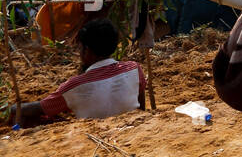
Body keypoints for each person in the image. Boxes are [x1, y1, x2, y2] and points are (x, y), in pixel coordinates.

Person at [7, 19, 145, 127]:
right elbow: (141, 108)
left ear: (87, 50)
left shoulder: (74, 86)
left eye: (80, 48)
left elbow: (40, 108)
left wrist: (9, 109)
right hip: (132, 130)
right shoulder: (134, 68)